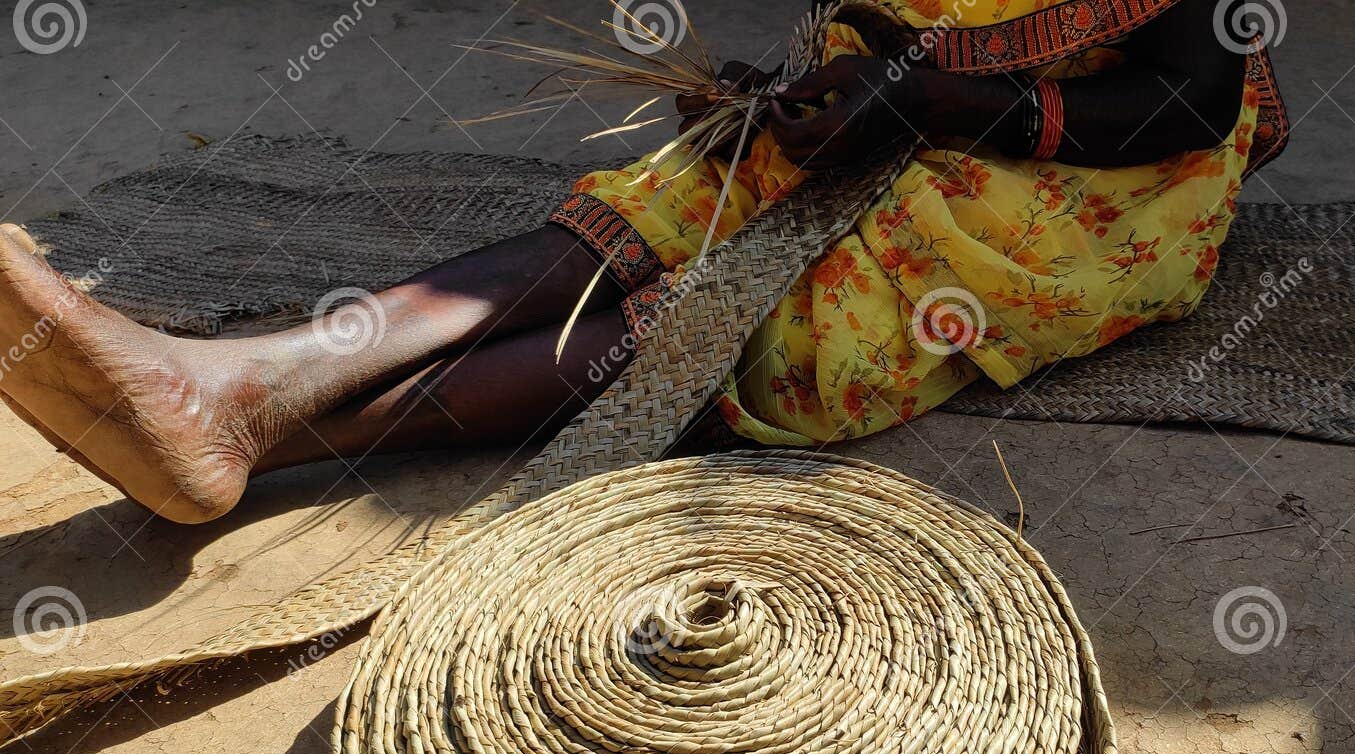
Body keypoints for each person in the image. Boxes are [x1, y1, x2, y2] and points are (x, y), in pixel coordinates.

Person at [0, 0, 1285, 524]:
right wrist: (797, 96)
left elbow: (1191, 102)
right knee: (675, 201)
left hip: (1090, 185)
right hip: (911, 113)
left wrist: (933, 107)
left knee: (762, 303)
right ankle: (243, 381)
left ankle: (251, 432)